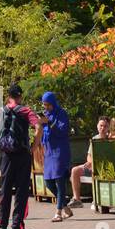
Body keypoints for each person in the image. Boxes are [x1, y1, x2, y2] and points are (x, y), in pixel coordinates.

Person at [0, 84, 44, 229]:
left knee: (5, 189)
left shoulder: (0, 111)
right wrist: (34, 147)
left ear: (8, 96)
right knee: (21, 190)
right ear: (20, 96)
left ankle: (2, 226)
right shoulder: (25, 110)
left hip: (5, 155)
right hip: (22, 153)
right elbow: (39, 127)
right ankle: (17, 226)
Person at [38, 92, 73, 222]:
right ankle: (65, 207)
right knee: (48, 182)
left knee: (59, 181)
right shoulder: (46, 115)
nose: (46, 107)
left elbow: (62, 130)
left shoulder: (61, 113)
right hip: (49, 152)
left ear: (53, 103)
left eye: (47, 105)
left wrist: (49, 123)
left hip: (60, 151)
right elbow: (42, 134)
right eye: (44, 105)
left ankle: (58, 212)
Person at [69, 117, 110, 208]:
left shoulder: (111, 139)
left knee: (95, 171)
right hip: (92, 165)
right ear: (97, 126)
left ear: (108, 127)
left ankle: (96, 199)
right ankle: (77, 199)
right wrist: (90, 162)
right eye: (101, 126)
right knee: (75, 170)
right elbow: (89, 155)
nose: (102, 128)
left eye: (105, 126)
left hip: (104, 167)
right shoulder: (94, 139)